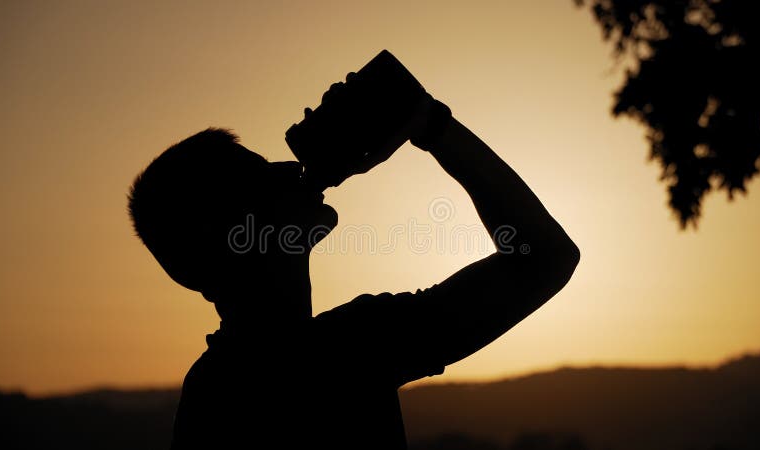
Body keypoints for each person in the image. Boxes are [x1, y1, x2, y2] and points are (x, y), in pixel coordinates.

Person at [127, 89, 579, 449]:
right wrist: (433, 127)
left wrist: (426, 121)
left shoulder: (233, 382)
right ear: (229, 232)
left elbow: (547, 258)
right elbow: (546, 257)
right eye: (261, 175)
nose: (289, 169)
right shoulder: (337, 355)